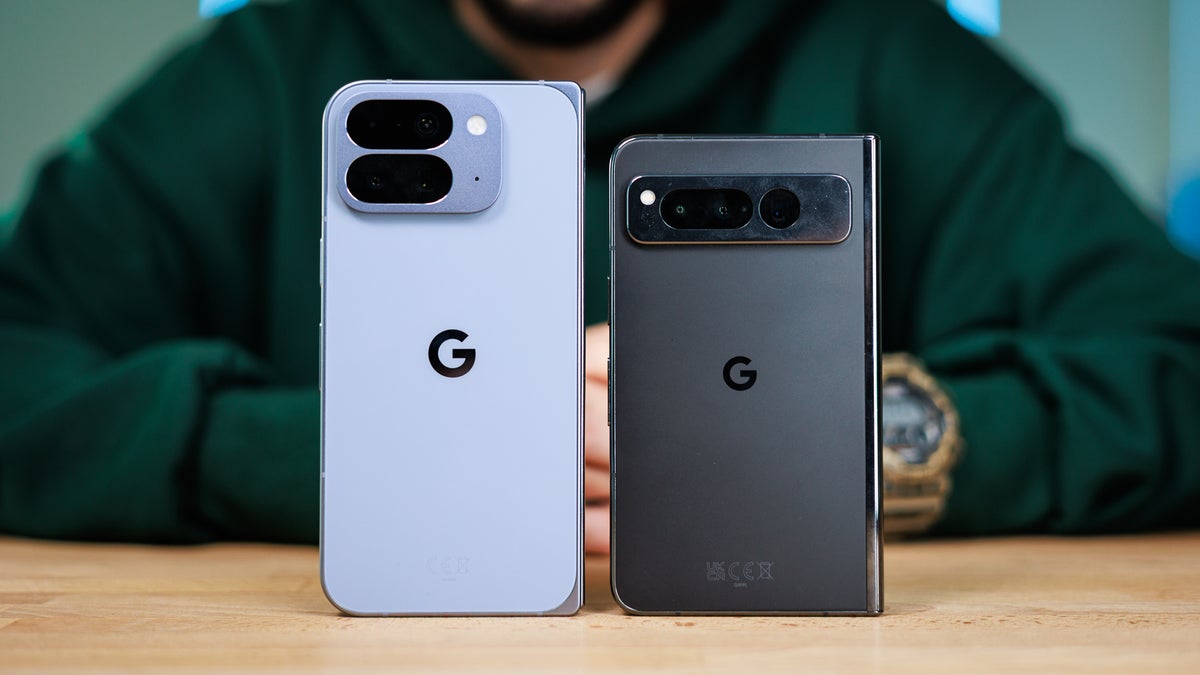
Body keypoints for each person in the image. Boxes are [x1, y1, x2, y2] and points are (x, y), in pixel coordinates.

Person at [1, 0, 1198, 552]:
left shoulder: (889, 52)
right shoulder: (268, 67)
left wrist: (838, 441)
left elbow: (1174, 369)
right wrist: (359, 458)